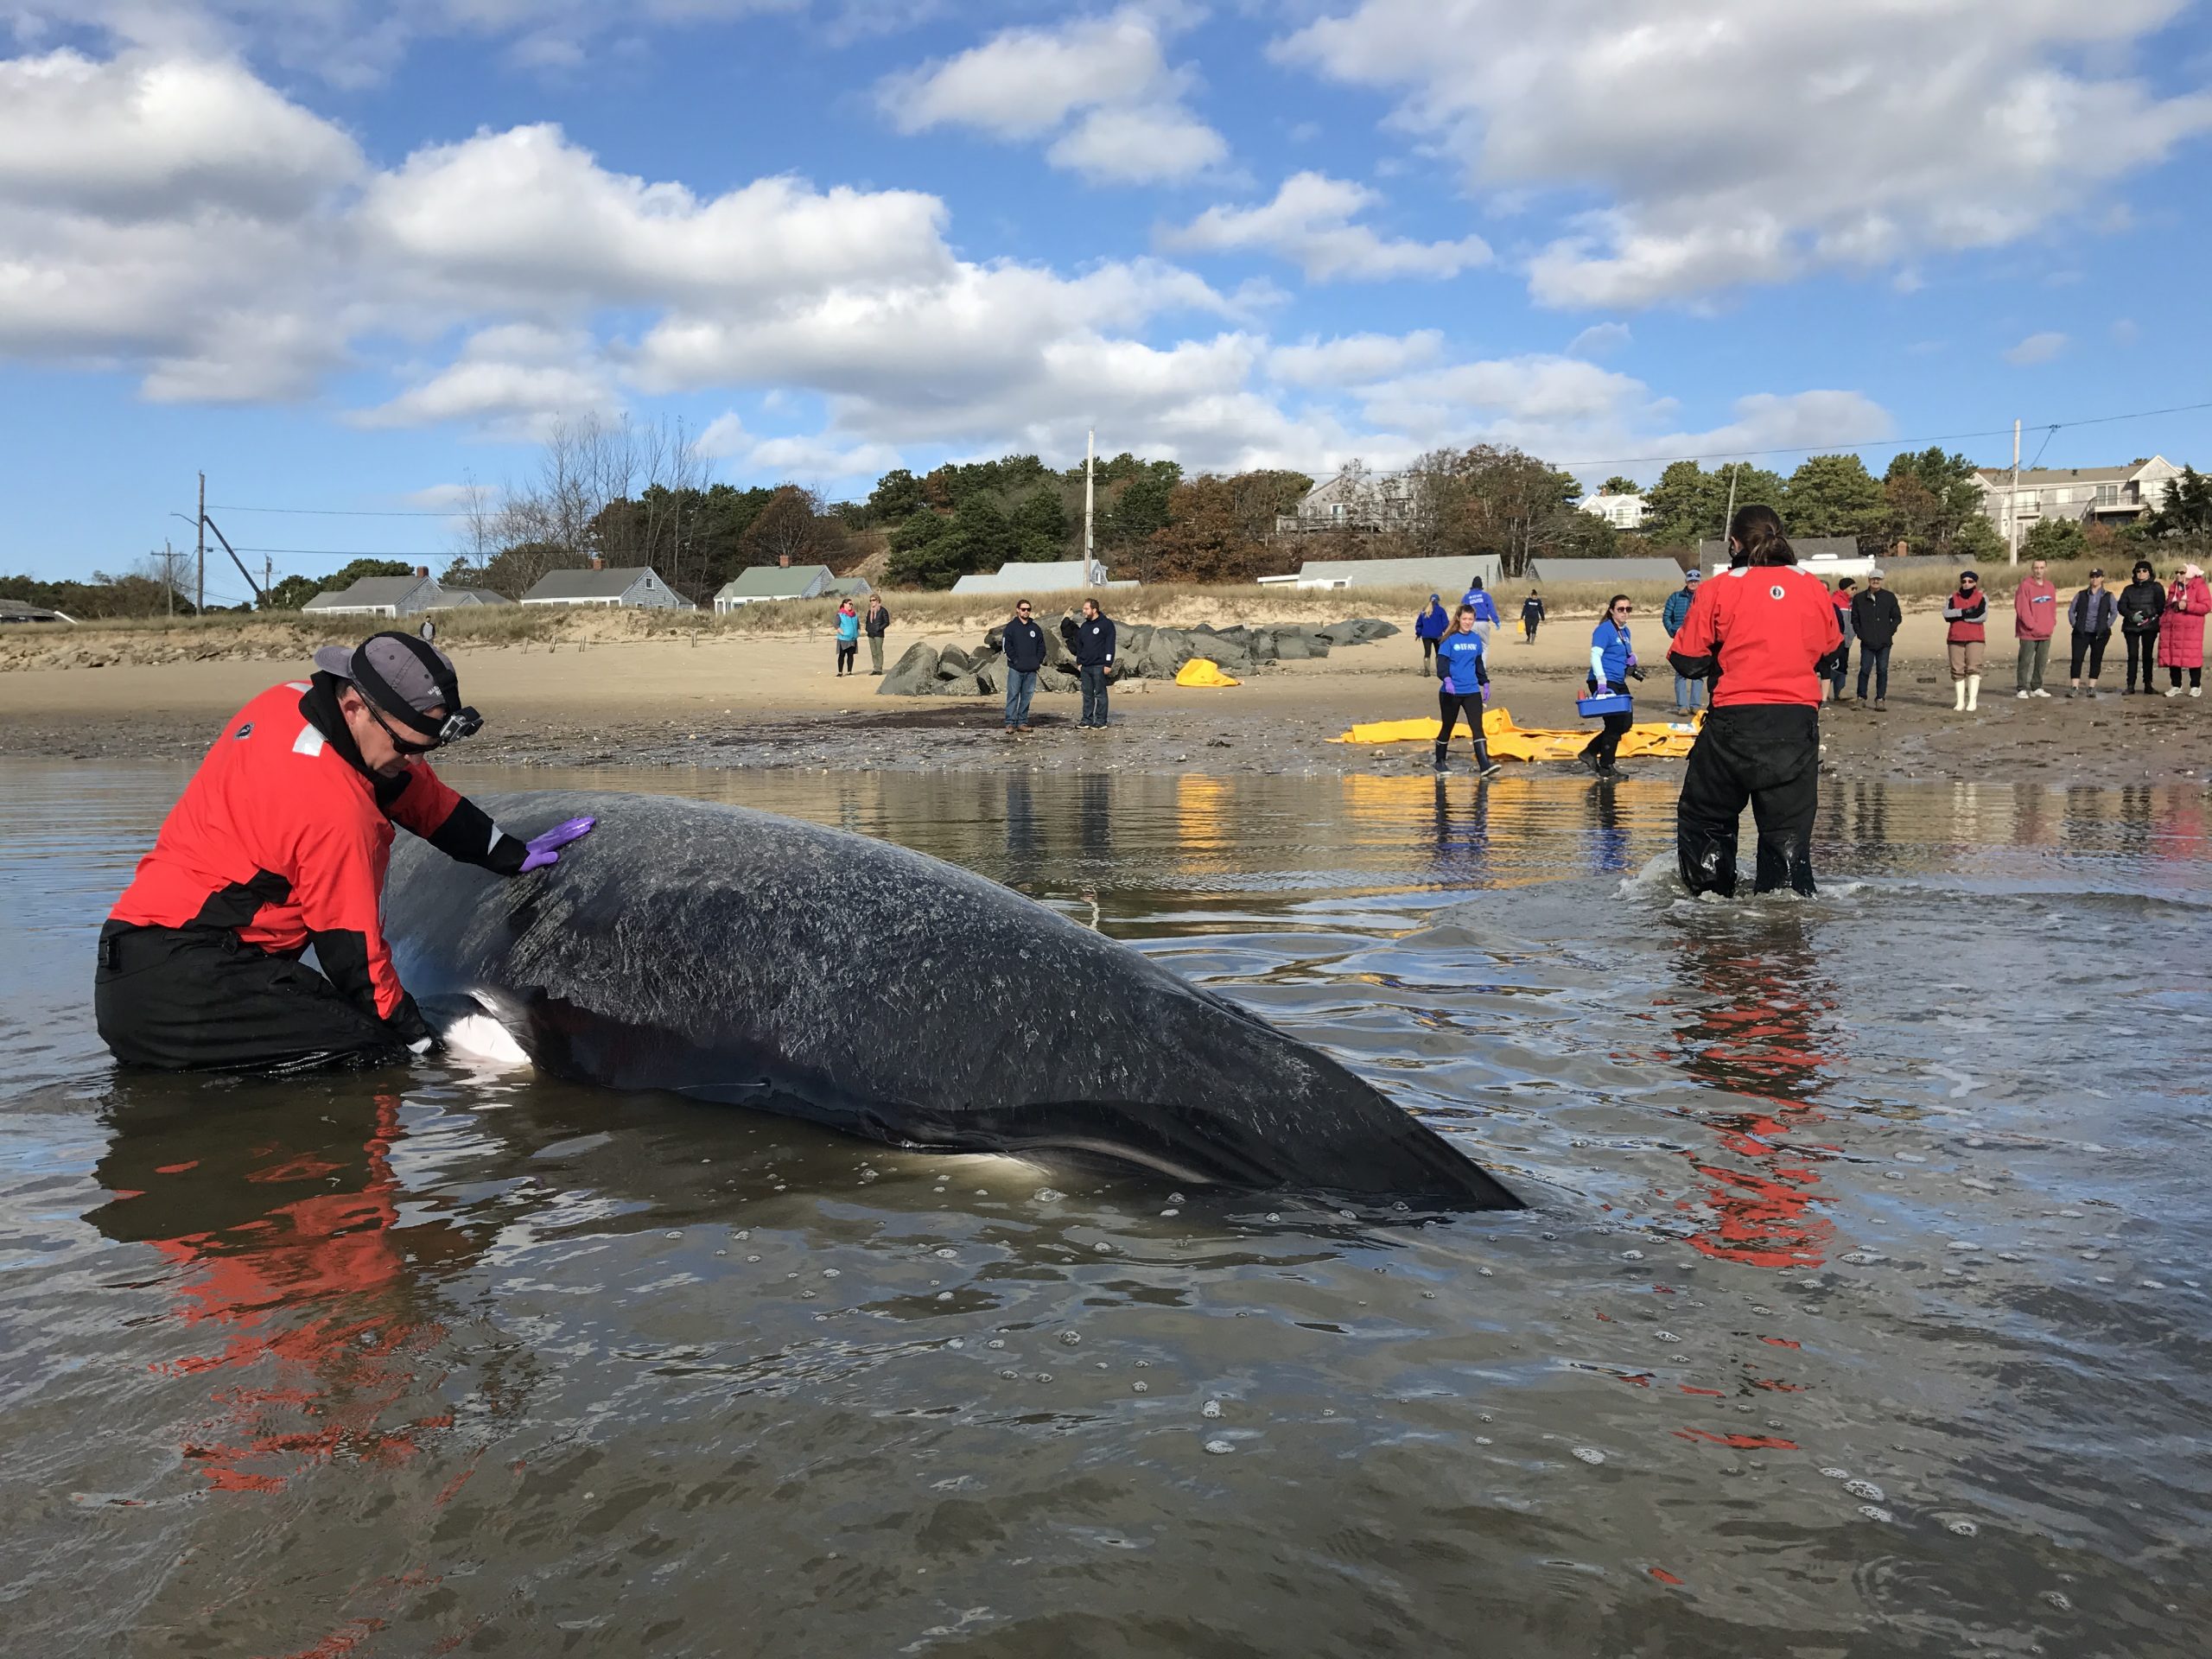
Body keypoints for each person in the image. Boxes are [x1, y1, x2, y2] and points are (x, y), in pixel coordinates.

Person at [94, 632, 595, 1071]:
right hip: (184, 983)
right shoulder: (334, 808)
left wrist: (505, 851)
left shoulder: (290, 701)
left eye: (426, 748)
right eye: (404, 746)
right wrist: (418, 1046)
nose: (413, 761)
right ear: (355, 705)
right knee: (375, 1051)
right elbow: (353, 953)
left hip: (140, 960)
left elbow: (415, 790)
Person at [1666, 504, 1842, 898]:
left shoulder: (1718, 589)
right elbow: (1831, 650)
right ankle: (1784, 934)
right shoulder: (1812, 586)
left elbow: (1687, 661)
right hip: (1795, 724)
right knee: (1787, 838)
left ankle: (1708, 916)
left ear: (1734, 543)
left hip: (1734, 721)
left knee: (1706, 822)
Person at [1433, 602, 1503, 778]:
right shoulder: (1449, 639)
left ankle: (1484, 764)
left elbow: (1478, 664)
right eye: (1464, 619)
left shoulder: (1475, 639)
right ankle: (1440, 761)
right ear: (1458, 619)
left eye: (1470, 619)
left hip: (1471, 691)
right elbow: (1441, 665)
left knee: (1477, 727)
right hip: (1451, 692)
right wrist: (1447, 679)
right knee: (1448, 727)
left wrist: (1485, 683)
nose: (1467, 622)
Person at [1579, 594, 1640, 779]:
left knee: (1625, 723)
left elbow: (1621, 655)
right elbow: (1595, 656)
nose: (1625, 613)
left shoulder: (1625, 631)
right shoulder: (1604, 630)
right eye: (1621, 609)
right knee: (1614, 724)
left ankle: (1590, 752)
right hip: (1603, 680)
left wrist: (1631, 662)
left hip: (1619, 681)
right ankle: (1606, 767)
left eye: (1628, 609)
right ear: (1612, 610)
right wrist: (1601, 680)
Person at [1849, 569, 1902, 709]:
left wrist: (1889, 631)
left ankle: (1880, 699)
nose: (1876, 581)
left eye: (1878, 579)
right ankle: (1861, 697)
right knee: (1865, 669)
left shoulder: (1889, 597)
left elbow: (1897, 617)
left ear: (1882, 580)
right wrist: (1861, 634)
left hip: (1884, 642)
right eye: (1874, 579)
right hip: (1867, 642)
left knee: (1882, 670)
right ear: (1869, 580)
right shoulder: (1859, 598)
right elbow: (1854, 619)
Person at [2158, 562, 2211, 696]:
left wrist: (2188, 606)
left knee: (2192, 656)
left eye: (2182, 572)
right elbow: (2168, 606)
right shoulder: (2174, 587)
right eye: (2177, 572)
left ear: (2190, 574)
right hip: (2173, 628)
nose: (2178, 575)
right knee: (2173, 657)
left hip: (2191, 629)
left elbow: (2207, 606)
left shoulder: (2199, 587)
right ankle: (2176, 685)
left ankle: (2195, 686)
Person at [2066, 569, 2117, 697]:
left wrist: (2106, 625)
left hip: (2100, 634)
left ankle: (2091, 687)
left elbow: (2114, 612)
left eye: (2097, 577)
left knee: (2096, 659)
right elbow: (2072, 610)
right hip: (2081, 632)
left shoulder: (2108, 595)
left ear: (2102, 578)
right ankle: (2074, 687)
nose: (2095, 579)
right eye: (2092, 577)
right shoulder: (2081, 594)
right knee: (2077, 659)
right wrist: (2075, 624)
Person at [2118, 559, 2166, 694]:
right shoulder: (2128, 589)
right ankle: (2131, 685)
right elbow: (2121, 606)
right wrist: (2131, 616)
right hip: (2131, 627)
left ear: (2149, 572)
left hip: (2150, 626)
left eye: (2144, 570)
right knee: (2132, 655)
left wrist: (2147, 615)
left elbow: (2161, 606)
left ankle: (2148, 684)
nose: (2141, 573)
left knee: (2147, 655)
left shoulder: (2156, 587)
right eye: (2138, 571)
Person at [1944, 569, 1989, 713]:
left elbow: (1981, 616)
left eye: (1970, 581)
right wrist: (1964, 612)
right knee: (1957, 669)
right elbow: (1946, 614)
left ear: (1975, 582)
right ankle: (1960, 702)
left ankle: (1972, 702)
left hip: (1975, 637)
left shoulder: (1982, 597)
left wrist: (1960, 616)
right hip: (1955, 637)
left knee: (1973, 668)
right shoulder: (1953, 597)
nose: (1967, 584)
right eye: (1964, 581)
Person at [2013, 557, 2057, 698]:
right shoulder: (2025, 586)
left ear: (2046, 569)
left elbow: (2052, 607)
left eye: (2041, 568)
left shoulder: (2050, 586)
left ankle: (2036, 687)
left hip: (2046, 631)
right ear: (2032, 569)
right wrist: (2031, 625)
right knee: (2025, 661)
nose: (2039, 571)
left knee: (2041, 661)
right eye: (2036, 568)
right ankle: (2021, 688)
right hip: (2028, 632)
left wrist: (2052, 623)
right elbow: (2022, 608)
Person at [1662, 568, 1704, 714]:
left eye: (1696, 581)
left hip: (1699, 639)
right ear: (1686, 581)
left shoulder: (1704, 597)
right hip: (1680, 639)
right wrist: (1673, 630)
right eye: (1691, 580)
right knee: (1680, 672)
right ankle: (1682, 706)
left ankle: (1696, 705)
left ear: (1699, 582)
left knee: (1698, 672)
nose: (1693, 583)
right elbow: (1666, 616)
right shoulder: (1675, 597)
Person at [1001, 600, 1046, 733]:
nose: (1026, 612)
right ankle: (1010, 723)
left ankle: (1022, 722)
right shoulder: (1011, 627)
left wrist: (1037, 661)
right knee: (1013, 695)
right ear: (1018, 610)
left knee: (1027, 697)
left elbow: (1042, 646)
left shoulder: (1035, 628)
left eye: (1028, 609)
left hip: (1031, 669)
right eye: (1023, 609)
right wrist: (1015, 660)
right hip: (1016, 669)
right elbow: (1006, 646)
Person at [1074, 596, 1116, 728]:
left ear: (1094, 609)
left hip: (1099, 665)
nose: (1084, 611)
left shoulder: (1106, 624)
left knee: (1100, 694)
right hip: (1085, 666)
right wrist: (1079, 662)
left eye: (1086, 609)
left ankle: (1100, 721)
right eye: (1083, 609)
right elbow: (1080, 645)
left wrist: (1108, 663)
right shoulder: (1085, 626)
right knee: (1087, 694)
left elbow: (1110, 645)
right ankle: (1087, 719)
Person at [1826, 578, 1856, 703]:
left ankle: (1839, 692)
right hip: (1837, 640)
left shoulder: (1851, 603)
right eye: (1852, 588)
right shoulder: (1835, 601)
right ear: (1844, 589)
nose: (1855, 591)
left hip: (1847, 640)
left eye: (1856, 588)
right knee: (1834, 666)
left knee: (1843, 666)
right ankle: (1824, 692)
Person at [1414, 594, 1449, 669]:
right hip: (1438, 635)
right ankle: (1439, 670)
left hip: (1426, 635)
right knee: (1438, 653)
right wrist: (1447, 634)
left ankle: (1427, 671)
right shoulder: (1441, 610)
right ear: (1438, 601)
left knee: (1427, 653)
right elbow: (1445, 624)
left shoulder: (1424, 610)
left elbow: (1419, 624)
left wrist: (1418, 633)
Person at [1463, 576, 1503, 642]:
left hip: (1471, 623)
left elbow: (1462, 610)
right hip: (1483, 623)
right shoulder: (1486, 596)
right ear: (1481, 585)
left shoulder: (1467, 597)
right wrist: (1496, 621)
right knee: (1484, 645)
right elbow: (1491, 609)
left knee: (1472, 645)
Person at [863, 594, 891, 674]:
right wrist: (867, 628)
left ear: (878, 601)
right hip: (870, 634)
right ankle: (875, 669)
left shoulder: (883, 610)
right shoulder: (870, 611)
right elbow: (867, 621)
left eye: (873, 600)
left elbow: (887, 622)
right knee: (873, 652)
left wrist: (879, 628)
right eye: (871, 600)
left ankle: (879, 669)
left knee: (879, 651)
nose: (872, 602)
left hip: (879, 634)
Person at [833, 598, 861, 677]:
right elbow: (836, 625)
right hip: (843, 639)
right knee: (842, 655)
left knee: (850, 655)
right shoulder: (840, 614)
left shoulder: (854, 614)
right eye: (849, 603)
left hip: (853, 638)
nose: (851, 605)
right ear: (844, 604)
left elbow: (858, 624)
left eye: (852, 604)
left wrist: (858, 631)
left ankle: (849, 671)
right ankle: (840, 672)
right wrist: (842, 632)